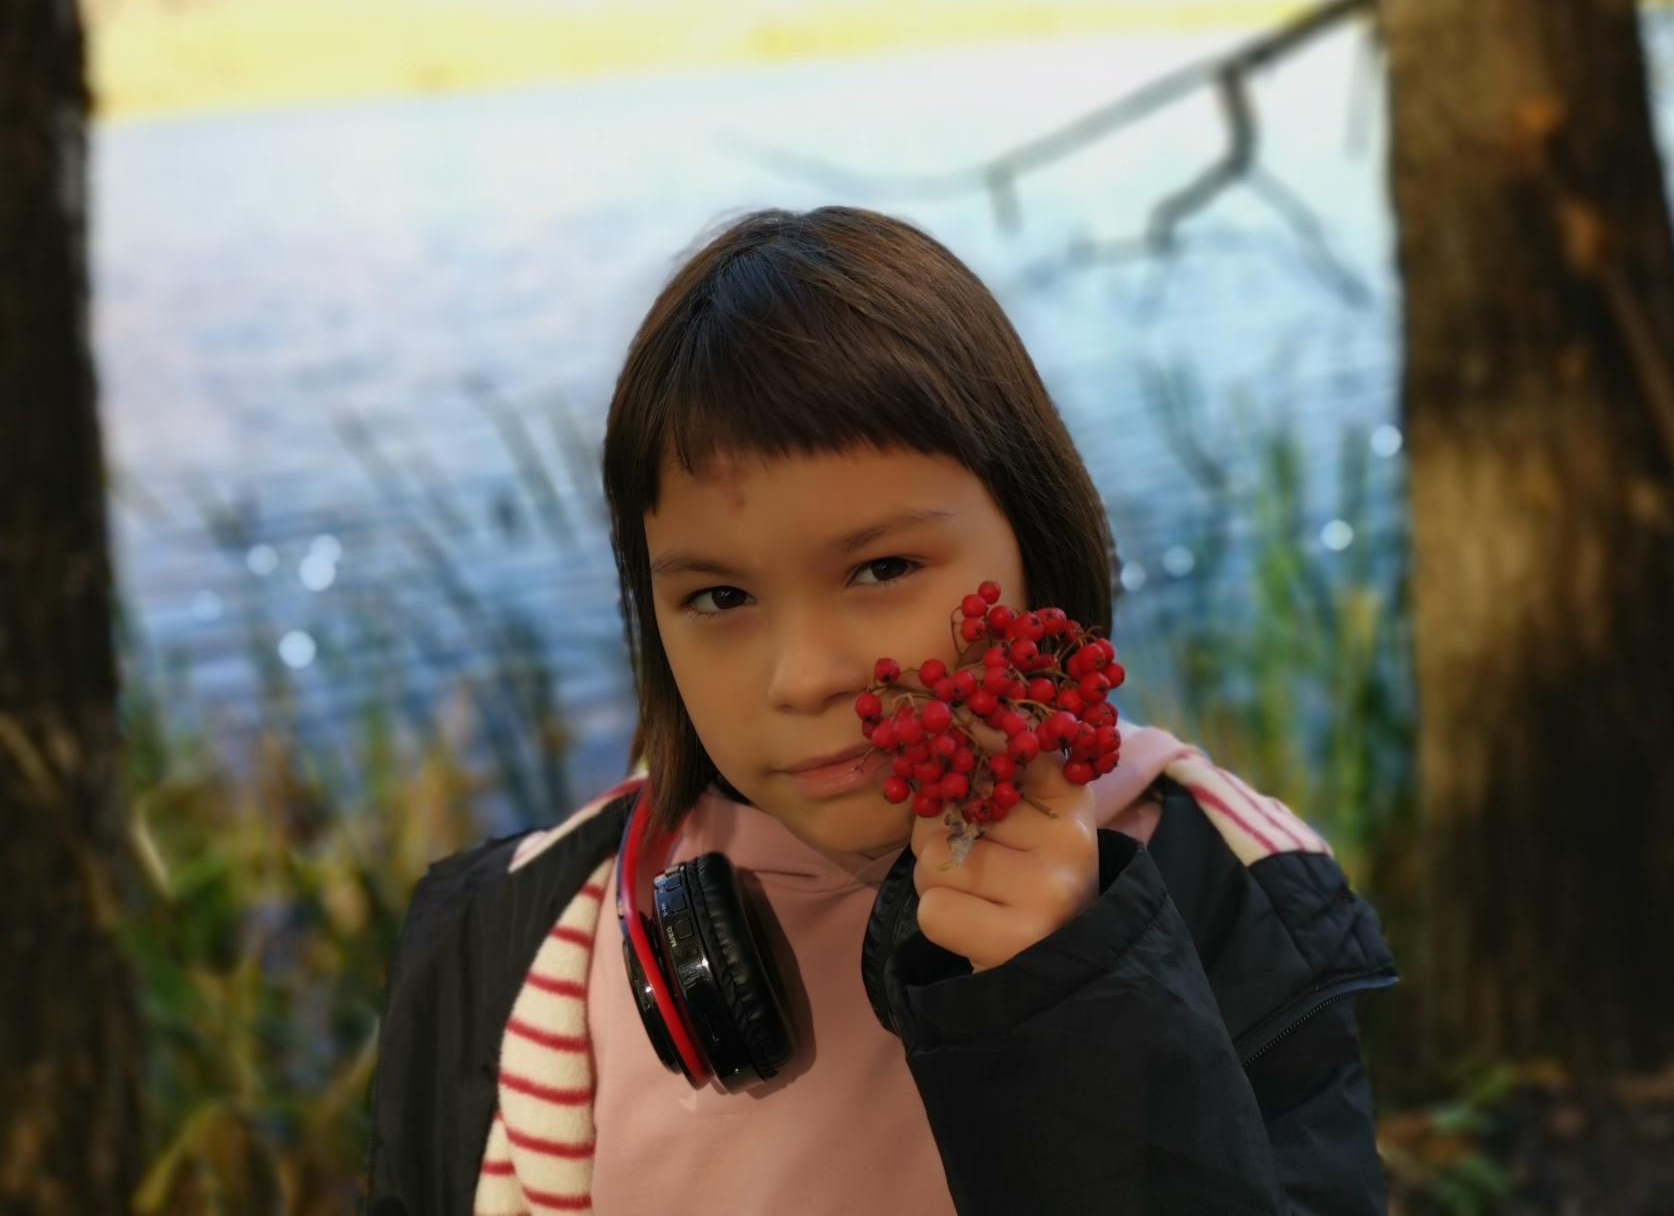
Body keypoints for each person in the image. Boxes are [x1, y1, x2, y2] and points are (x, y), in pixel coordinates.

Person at [363, 205, 1398, 1215]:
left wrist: (1071, 998)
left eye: (880, 568)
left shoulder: (1233, 896)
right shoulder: (511, 939)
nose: (803, 676)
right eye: (718, 598)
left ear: (1034, 546)